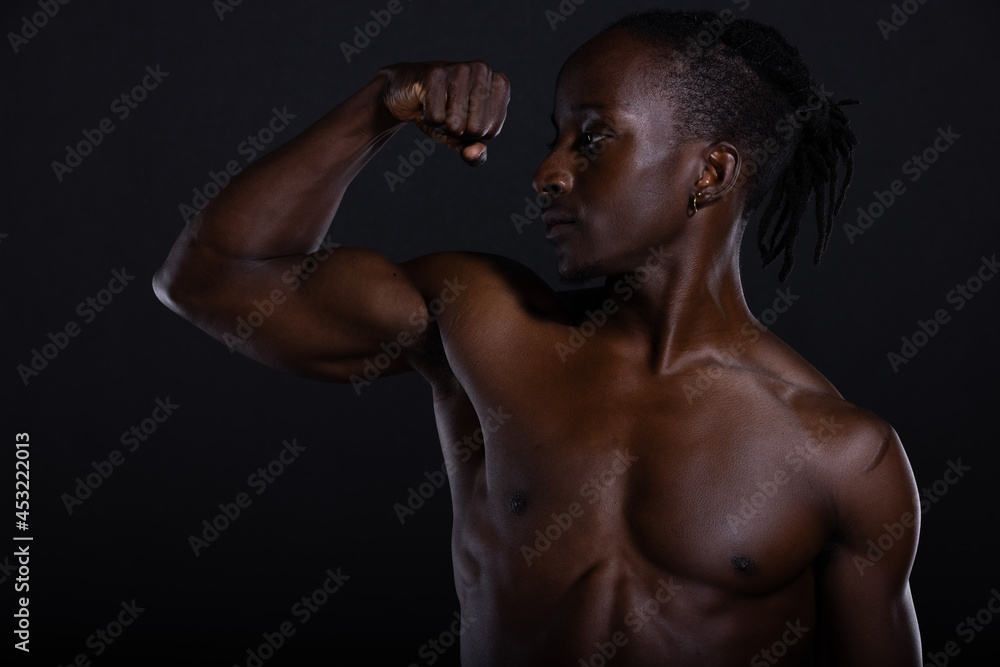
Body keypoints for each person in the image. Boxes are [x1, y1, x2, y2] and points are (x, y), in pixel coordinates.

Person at [153, 9, 921, 666]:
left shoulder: (843, 454)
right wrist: (381, 103)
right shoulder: (482, 321)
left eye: (590, 140)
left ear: (711, 173)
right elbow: (212, 278)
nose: (546, 173)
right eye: (555, 139)